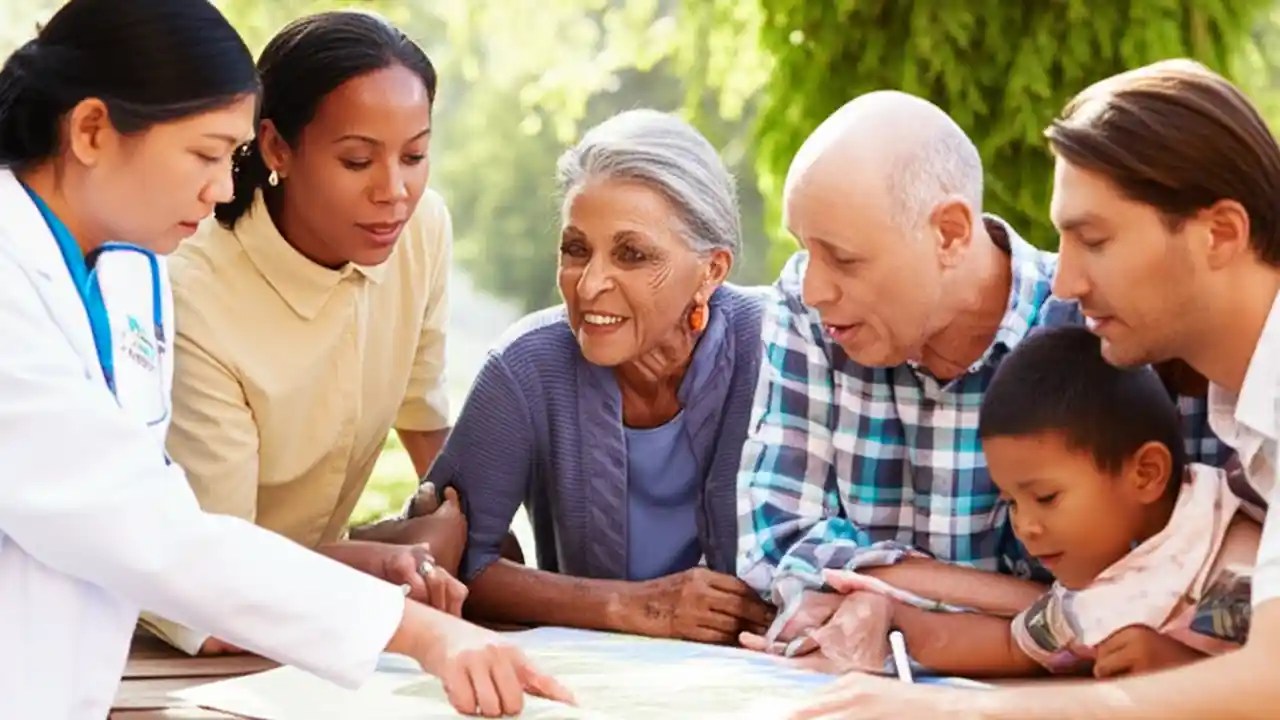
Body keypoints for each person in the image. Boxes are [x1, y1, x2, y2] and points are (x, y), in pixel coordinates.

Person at [0, 2, 570, 717]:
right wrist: (421, 631)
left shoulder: (128, 274)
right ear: (91, 131)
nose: (222, 188)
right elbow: (145, 528)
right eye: (206, 155)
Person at [784, 60, 1280, 720]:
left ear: (1219, 232)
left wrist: (956, 715)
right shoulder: (1244, 409)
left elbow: (1270, 683)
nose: (1067, 282)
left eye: (1094, 240)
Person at [141, 9, 468, 659]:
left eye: (415, 155)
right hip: (189, 630)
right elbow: (211, 579)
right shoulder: (192, 292)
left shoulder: (420, 230)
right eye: (357, 160)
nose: (394, 192)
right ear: (276, 147)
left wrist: (461, 528)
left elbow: (424, 416)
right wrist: (383, 558)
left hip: (315, 608)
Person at [407, 109, 776, 644]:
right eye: (577, 250)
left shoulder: (779, 350)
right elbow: (449, 564)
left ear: (712, 269)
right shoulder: (526, 367)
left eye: (631, 254)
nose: (590, 284)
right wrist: (637, 608)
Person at [801, 326, 1258, 679]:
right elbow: (1010, 646)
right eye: (1013, 504)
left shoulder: (1234, 551)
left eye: (1045, 497)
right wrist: (895, 621)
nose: (1026, 526)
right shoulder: (1090, 591)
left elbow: (1257, 681)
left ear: (1146, 474)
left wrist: (1180, 669)